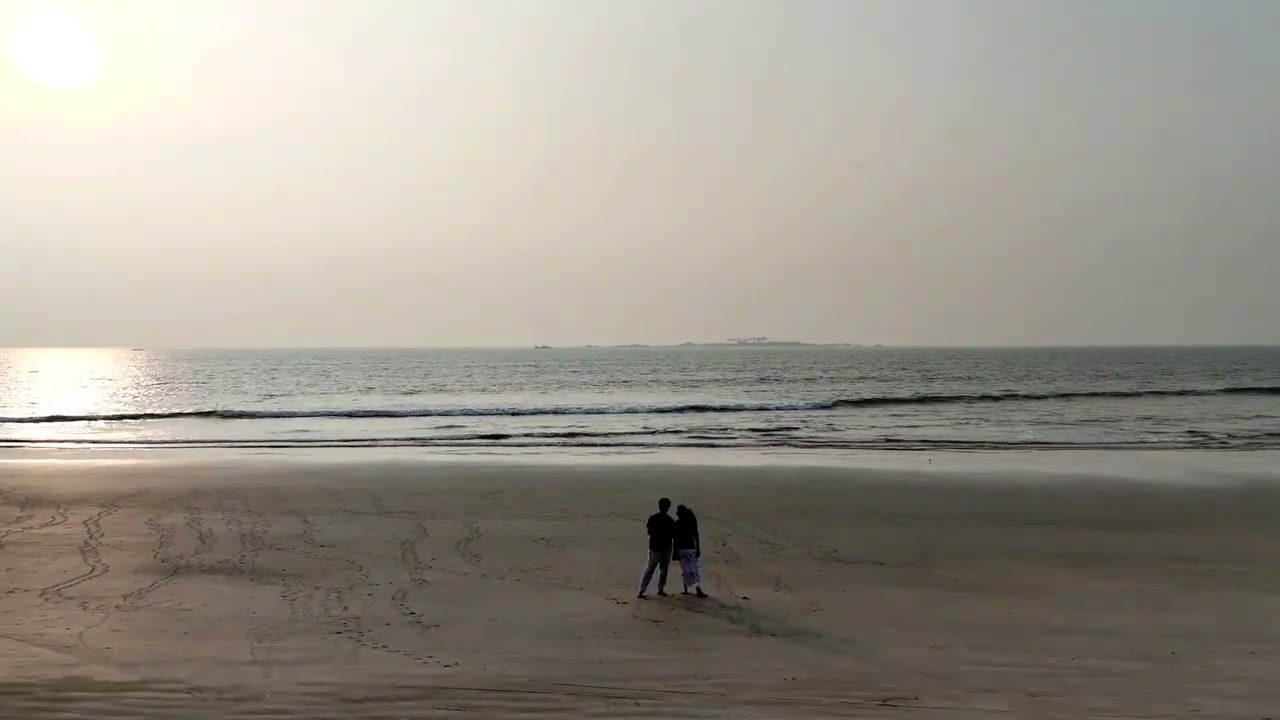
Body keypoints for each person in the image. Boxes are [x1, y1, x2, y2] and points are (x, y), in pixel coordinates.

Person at [637, 497, 676, 599]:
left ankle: (642, 590)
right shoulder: (670, 520)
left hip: (655, 547)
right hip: (665, 548)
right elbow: (673, 535)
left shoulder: (653, 518)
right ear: (668, 507)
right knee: (663, 570)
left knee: (650, 569)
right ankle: (660, 589)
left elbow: (649, 532)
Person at [674, 504, 708, 598]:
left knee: (685, 570)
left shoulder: (678, 523)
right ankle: (698, 590)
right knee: (694, 570)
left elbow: (676, 539)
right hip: (691, 548)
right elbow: (696, 537)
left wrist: (675, 552)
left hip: (682, 549)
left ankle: (686, 590)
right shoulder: (691, 523)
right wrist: (698, 549)